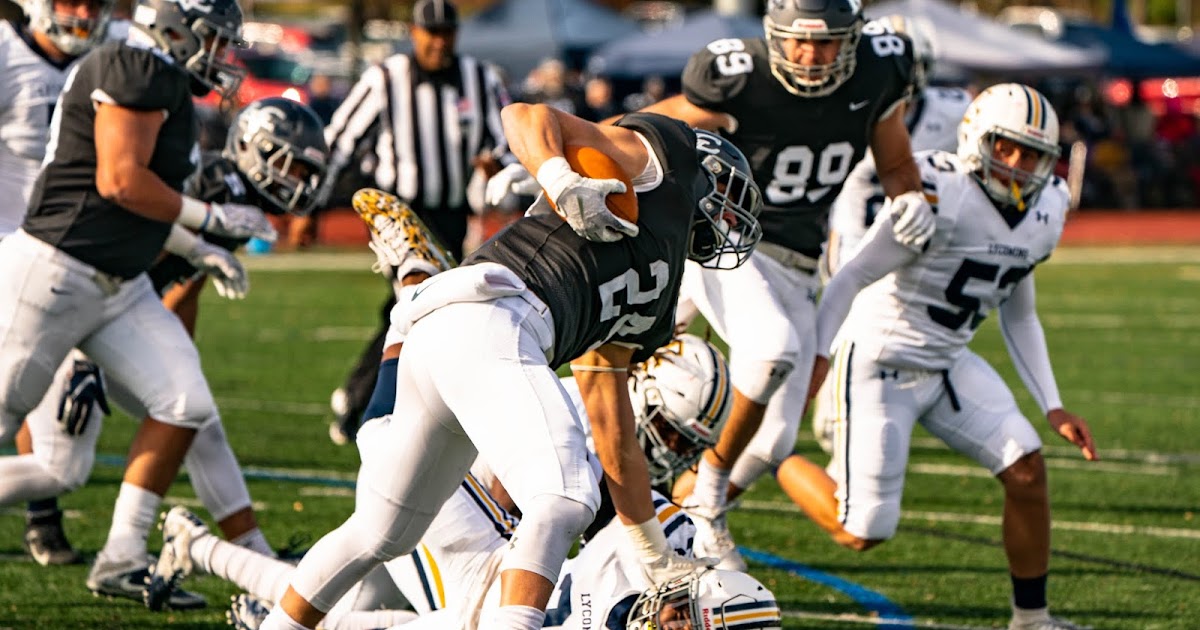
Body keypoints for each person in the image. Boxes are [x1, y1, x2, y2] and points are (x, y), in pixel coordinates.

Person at [254, 103, 763, 630]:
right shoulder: (665, 165)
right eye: (727, 205)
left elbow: (613, 432)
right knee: (564, 496)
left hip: (450, 330)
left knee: (381, 533)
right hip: (496, 311)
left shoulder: (656, 304)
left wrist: (655, 558)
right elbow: (525, 114)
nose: (728, 220)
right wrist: (558, 176)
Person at [154, 332, 737, 630]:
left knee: (344, 597)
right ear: (644, 393)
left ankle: (197, 547)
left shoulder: (609, 433)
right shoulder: (581, 422)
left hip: (452, 498)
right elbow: (515, 514)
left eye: (690, 446)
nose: (674, 453)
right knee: (459, 620)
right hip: (449, 505)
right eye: (674, 433)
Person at [631, 0, 935, 568]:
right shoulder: (740, 76)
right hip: (722, 241)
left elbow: (896, 164)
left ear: (854, 38)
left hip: (797, 259)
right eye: (797, 41)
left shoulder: (878, 70)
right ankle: (706, 505)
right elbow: (655, 127)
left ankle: (668, 506)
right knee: (772, 349)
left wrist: (910, 196)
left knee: (774, 442)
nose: (809, 55)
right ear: (773, 34)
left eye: (825, 43)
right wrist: (567, 148)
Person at [0, 97, 329, 608]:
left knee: (195, 415)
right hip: (81, 316)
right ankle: (167, 556)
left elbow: (183, 287)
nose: (296, 179)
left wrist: (180, 360)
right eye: (289, 164)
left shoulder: (232, 191)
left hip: (110, 320)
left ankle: (254, 556)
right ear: (252, 148)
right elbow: (137, 253)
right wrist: (87, 361)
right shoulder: (218, 189)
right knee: (61, 469)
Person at [798, 84, 1097, 630]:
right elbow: (852, 275)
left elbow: (1020, 310)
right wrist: (818, 361)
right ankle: (773, 458)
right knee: (862, 530)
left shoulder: (1046, 208)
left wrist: (1052, 405)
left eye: (1032, 154)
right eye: (1006, 147)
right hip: (879, 360)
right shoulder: (939, 189)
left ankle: (1032, 620)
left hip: (947, 362)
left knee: (1027, 470)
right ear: (976, 140)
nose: (1017, 164)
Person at [319, 0, 517, 444]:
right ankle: (368, 412)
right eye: (431, 32)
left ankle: (362, 397)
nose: (439, 41)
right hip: (400, 213)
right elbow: (342, 141)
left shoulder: (479, 79)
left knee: (416, 312)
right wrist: (313, 205)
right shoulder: (385, 79)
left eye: (446, 32)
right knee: (416, 310)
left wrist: (499, 169)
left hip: (451, 215)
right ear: (413, 33)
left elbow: (505, 141)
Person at [811, 14, 972, 452]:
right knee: (847, 335)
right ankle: (838, 421)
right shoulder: (848, 106)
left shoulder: (954, 111)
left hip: (918, 246)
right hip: (854, 244)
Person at [0, 0, 115, 566]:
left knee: (51, 409)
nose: (84, 12)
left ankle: (43, 517)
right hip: (8, 256)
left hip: (66, 259)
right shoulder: (3, 53)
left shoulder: (102, 63)